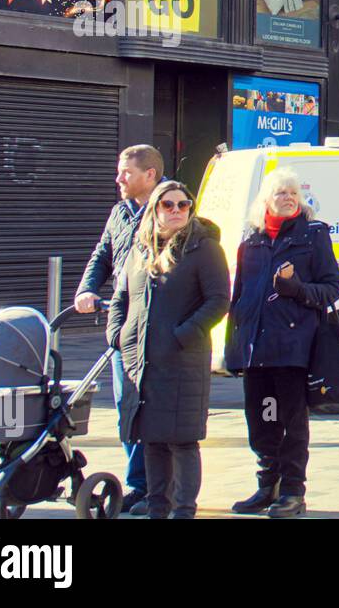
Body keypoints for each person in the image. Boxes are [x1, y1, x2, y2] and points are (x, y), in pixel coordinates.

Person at [106, 181, 229, 519]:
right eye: (168, 205)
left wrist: (183, 335)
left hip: (181, 361)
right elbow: (121, 298)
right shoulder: (139, 249)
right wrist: (117, 335)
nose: (176, 211)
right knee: (152, 439)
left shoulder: (204, 249)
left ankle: (183, 510)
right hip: (141, 362)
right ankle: (158, 508)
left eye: (183, 205)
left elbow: (218, 300)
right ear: (155, 210)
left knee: (182, 441)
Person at [226, 168, 339, 518]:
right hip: (256, 350)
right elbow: (239, 298)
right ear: (266, 200)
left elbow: (332, 287)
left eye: (293, 193)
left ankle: (293, 491)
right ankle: (267, 485)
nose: (289, 198)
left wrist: (296, 290)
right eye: (281, 193)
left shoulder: (313, 236)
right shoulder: (251, 242)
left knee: (292, 423)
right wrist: (234, 348)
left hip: (293, 349)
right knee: (262, 420)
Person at [74, 144, 164, 515]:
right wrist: (86, 289)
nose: (118, 179)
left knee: (153, 407)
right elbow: (102, 254)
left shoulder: (169, 210)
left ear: (150, 176)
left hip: (155, 324)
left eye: (125, 173)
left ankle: (156, 486)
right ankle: (137, 483)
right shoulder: (120, 213)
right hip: (121, 320)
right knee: (125, 405)